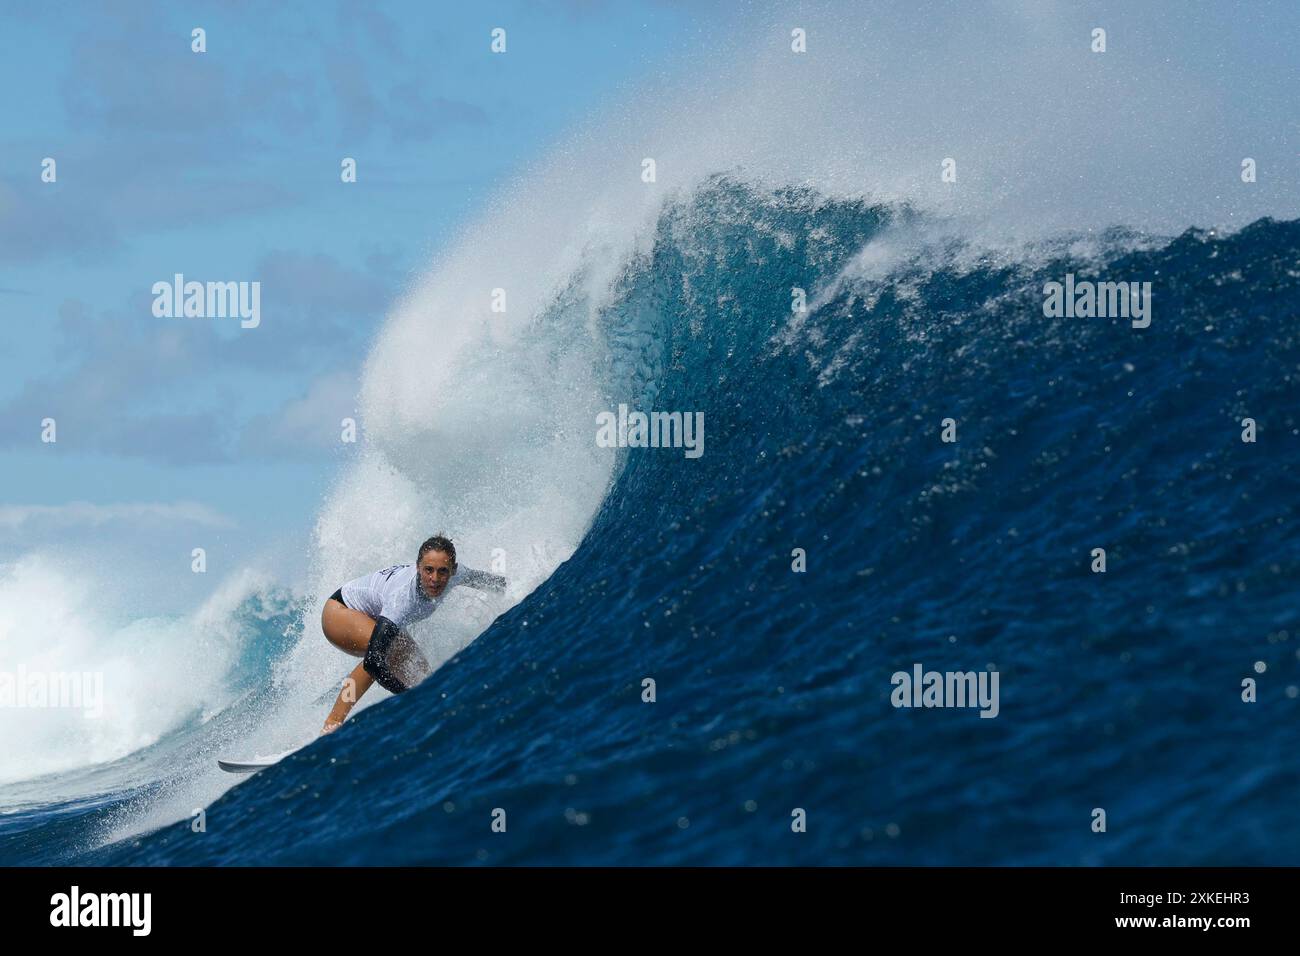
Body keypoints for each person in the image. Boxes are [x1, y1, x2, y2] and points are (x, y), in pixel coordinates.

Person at [319, 535, 506, 734]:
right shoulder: (401, 599)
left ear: (453, 569)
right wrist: (409, 700)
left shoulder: (458, 574)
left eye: (443, 571)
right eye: (428, 570)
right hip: (339, 613)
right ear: (418, 567)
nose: (435, 579)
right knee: (383, 653)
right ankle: (332, 723)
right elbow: (373, 663)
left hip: (373, 616)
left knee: (422, 673)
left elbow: (497, 584)